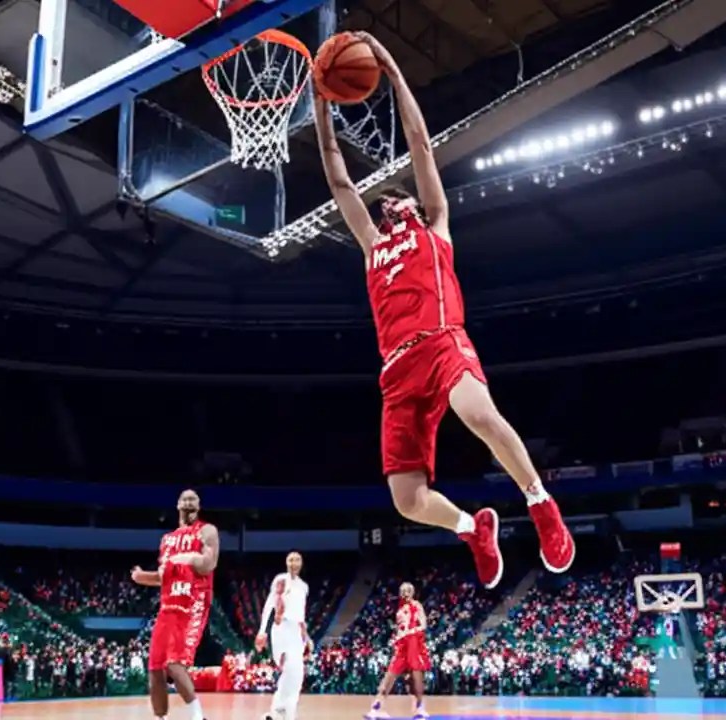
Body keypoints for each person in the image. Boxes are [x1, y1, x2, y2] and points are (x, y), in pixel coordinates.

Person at [313, 32, 575, 588]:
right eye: (384, 201)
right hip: (396, 371)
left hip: (441, 341)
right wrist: (320, 103)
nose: (389, 201)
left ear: (415, 204)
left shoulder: (435, 225)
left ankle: (540, 503)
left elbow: (419, 144)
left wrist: (393, 71)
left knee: (479, 416)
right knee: (406, 499)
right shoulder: (372, 246)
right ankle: (471, 528)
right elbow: (337, 177)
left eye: (397, 196)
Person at [131, 489, 220, 720]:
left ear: (198, 506)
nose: (189, 502)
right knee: (155, 667)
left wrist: (189, 558)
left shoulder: (206, 531)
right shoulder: (167, 539)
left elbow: (209, 564)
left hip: (192, 602)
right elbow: (164, 576)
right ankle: (161, 717)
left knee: (173, 663)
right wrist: (142, 577)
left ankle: (198, 716)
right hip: (168, 604)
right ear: (178, 504)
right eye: (185, 499)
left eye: (193, 499)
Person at [255, 551, 312, 720]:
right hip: (281, 628)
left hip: (297, 631)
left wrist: (307, 637)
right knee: (289, 668)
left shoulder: (303, 586)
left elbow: (301, 615)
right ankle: (280, 710)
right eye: (291, 560)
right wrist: (262, 631)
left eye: (297, 560)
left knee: (297, 672)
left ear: (301, 563)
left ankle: (282, 712)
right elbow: (269, 605)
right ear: (287, 563)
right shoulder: (280, 580)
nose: (294, 563)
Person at [366, 582, 430, 720]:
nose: (405, 593)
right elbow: (400, 628)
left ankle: (419, 709)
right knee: (389, 677)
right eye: (403, 591)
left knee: (416, 679)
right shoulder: (399, 610)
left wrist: (410, 631)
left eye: (408, 590)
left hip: (413, 644)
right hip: (401, 647)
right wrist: (397, 637)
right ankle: (376, 708)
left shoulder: (416, 605)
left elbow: (423, 624)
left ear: (412, 592)